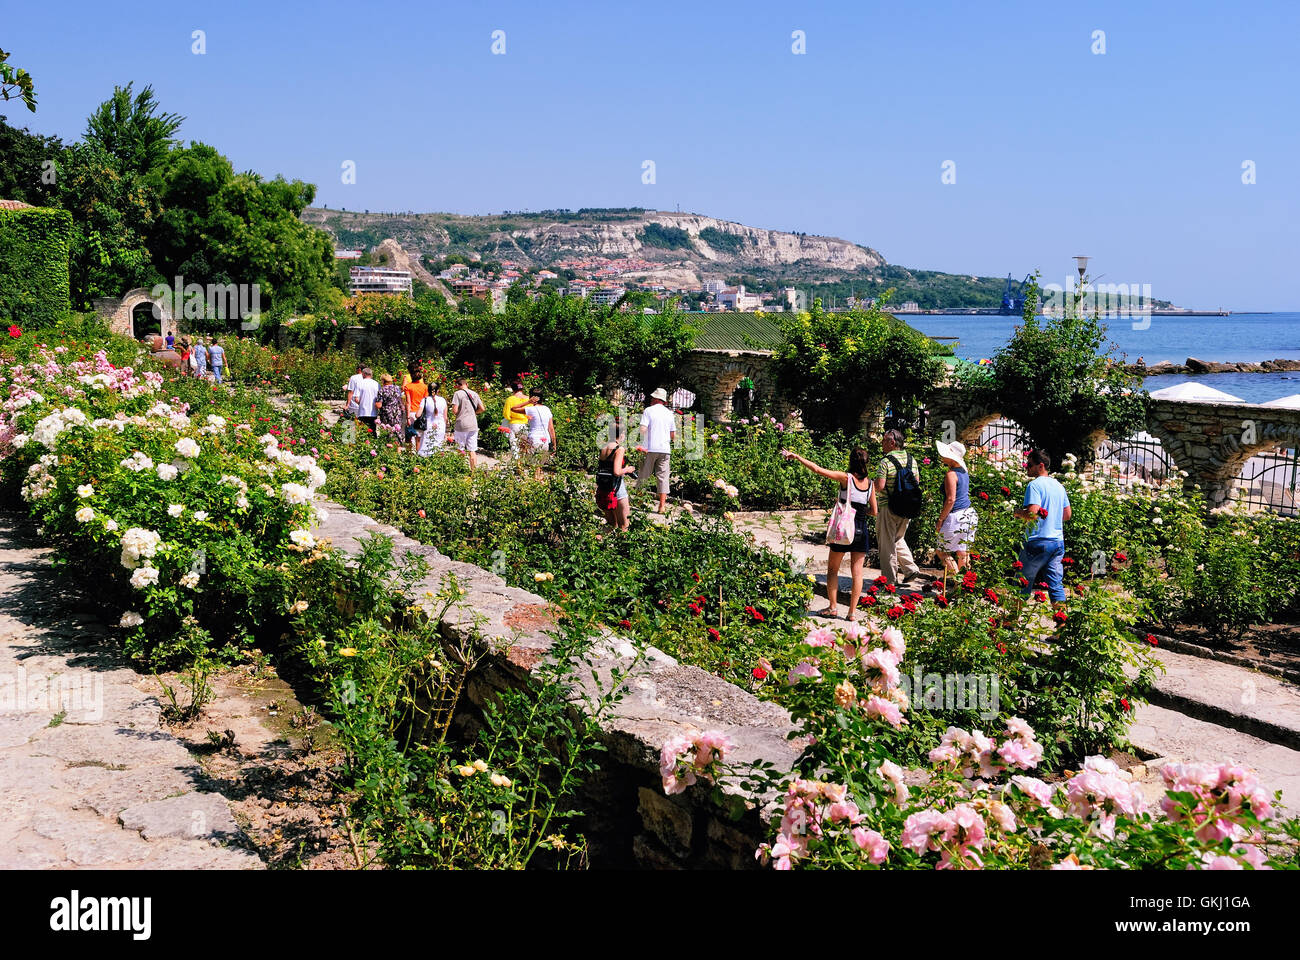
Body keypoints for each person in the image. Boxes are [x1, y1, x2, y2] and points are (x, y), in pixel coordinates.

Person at [783, 447, 878, 621]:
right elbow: (874, 511)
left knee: (833, 569)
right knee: (857, 573)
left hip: (844, 530)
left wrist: (797, 456)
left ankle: (833, 607)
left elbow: (818, 469)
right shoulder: (870, 484)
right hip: (861, 530)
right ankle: (852, 613)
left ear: (851, 461)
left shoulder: (846, 478)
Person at [1014, 448, 1072, 604]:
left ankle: (1010, 624)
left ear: (1040, 466)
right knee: (1056, 586)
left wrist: (1018, 512)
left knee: (1022, 584)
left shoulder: (1034, 485)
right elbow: (1067, 515)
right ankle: (1062, 624)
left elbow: (1032, 513)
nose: (1027, 467)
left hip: (1037, 541)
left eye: (1029, 465)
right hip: (1057, 542)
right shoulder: (1059, 486)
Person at [873, 428, 925, 589]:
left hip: (888, 506)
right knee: (897, 538)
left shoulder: (885, 461)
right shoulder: (912, 459)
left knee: (887, 543)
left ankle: (889, 580)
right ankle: (910, 569)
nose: (881, 443)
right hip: (907, 506)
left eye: (883, 440)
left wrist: (868, 486)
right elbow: (916, 482)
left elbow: (880, 486)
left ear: (892, 442)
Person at [933, 439, 978, 577]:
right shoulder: (964, 471)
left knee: (941, 551)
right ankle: (965, 586)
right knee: (962, 552)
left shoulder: (951, 474)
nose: (942, 456)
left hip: (956, 515)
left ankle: (958, 581)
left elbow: (951, 499)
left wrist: (941, 519)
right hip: (969, 514)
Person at [637, 387, 676, 514]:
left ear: (655, 399)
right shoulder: (670, 413)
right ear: (663, 401)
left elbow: (643, 429)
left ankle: (640, 502)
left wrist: (642, 440)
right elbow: (673, 434)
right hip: (665, 449)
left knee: (644, 475)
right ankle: (662, 506)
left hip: (649, 448)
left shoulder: (648, 411)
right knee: (663, 478)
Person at [509, 387, 555, 481]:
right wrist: (554, 444)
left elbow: (513, 409)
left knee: (533, 467)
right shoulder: (547, 409)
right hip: (545, 440)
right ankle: (540, 485)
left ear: (531, 397)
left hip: (533, 440)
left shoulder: (530, 409)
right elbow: (551, 428)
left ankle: (534, 486)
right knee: (540, 467)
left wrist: (528, 402)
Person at [594, 437, 637, 530]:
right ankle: (622, 544)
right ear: (621, 435)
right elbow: (616, 472)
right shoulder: (619, 449)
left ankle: (596, 541)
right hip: (617, 488)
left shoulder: (604, 446)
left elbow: (605, 466)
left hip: (604, 487)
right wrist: (627, 469)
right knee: (624, 525)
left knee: (611, 524)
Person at [451, 376, 485, 468]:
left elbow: (454, 410)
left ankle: (461, 469)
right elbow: (482, 408)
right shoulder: (474, 393)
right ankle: (473, 472)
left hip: (461, 424)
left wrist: (459, 412)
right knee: (472, 450)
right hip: (473, 424)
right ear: (466, 384)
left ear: (457, 385)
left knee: (460, 449)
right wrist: (474, 413)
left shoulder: (457, 394)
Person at [415, 381, 449, 456]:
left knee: (426, 445)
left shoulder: (425, 400)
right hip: (440, 426)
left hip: (428, 425)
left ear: (428, 390)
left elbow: (418, 415)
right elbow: (445, 417)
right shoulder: (443, 400)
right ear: (438, 391)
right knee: (439, 446)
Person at [402, 364, 429, 449]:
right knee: (419, 438)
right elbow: (425, 401)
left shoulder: (408, 387)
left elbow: (408, 403)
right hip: (420, 413)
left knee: (409, 436)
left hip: (411, 412)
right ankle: (418, 456)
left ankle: (409, 456)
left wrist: (407, 417)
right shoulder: (425, 387)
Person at [502, 379, 530, 457]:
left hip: (514, 424)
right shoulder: (528, 399)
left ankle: (517, 464)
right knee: (524, 445)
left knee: (514, 446)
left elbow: (506, 414)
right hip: (526, 424)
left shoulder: (510, 399)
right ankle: (524, 461)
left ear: (513, 389)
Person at [376, 373, 406, 437]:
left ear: (383, 381)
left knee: (387, 431)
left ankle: (389, 445)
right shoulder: (397, 388)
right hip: (397, 413)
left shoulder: (382, 390)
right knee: (397, 430)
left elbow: (379, 405)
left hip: (386, 414)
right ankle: (398, 444)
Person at [354, 367, 380, 434]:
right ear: (371, 374)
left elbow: (356, 399)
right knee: (373, 430)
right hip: (373, 411)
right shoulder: (377, 384)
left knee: (362, 432)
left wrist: (362, 403)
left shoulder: (359, 383)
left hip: (362, 411)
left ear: (363, 374)